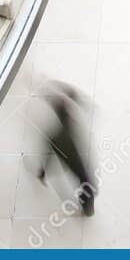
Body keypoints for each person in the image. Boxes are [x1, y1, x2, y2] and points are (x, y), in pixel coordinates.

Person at [35, 82, 94, 217]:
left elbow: (48, 155)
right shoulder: (66, 127)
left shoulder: (56, 135)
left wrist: (43, 172)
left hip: (70, 161)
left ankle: (87, 205)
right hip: (75, 162)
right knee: (86, 181)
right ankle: (87, 208)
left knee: (85, 182)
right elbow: (71, 95)